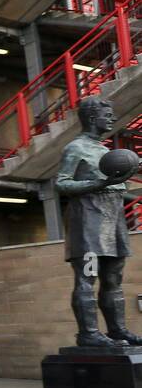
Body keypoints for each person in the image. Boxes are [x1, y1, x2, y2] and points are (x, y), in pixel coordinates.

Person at [55, 96, 141, 347]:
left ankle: (117, 330)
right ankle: (88, 333)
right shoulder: (75, 148)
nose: (112, 119)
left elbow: (115, 189)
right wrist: (100, 183)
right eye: (107, 114)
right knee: (87, 276)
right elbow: (61, 183)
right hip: (88, 221)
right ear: (92, 118)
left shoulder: (105, 151)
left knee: (113, 277)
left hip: (112, 220)